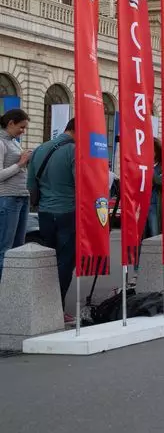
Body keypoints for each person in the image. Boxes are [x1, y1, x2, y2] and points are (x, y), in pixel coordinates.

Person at [26, 118, 75, 323]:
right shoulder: (73, 150)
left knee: (48, 260)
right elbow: (81, 182)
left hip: (45, 212)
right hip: (68, 211)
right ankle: (58, 308)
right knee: (64, 263)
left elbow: (30, 184)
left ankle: (42, 306)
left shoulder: (40, 149)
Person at [0, 109, 32, 281]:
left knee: (18, 247)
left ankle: (13, 288)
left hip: (21, 196)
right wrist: (20, 163)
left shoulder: (14, 142)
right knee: (6, 248)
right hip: (8, 198)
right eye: (21, 127)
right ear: (10, 123)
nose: (23, 131)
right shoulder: (1, 142)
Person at [145, 138, 163, 238]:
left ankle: (156, 254)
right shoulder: (142, 165)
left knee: (154, 233)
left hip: (154, 204)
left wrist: (149, 169)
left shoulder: (162, 167)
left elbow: (159, 181)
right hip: (142, 203)